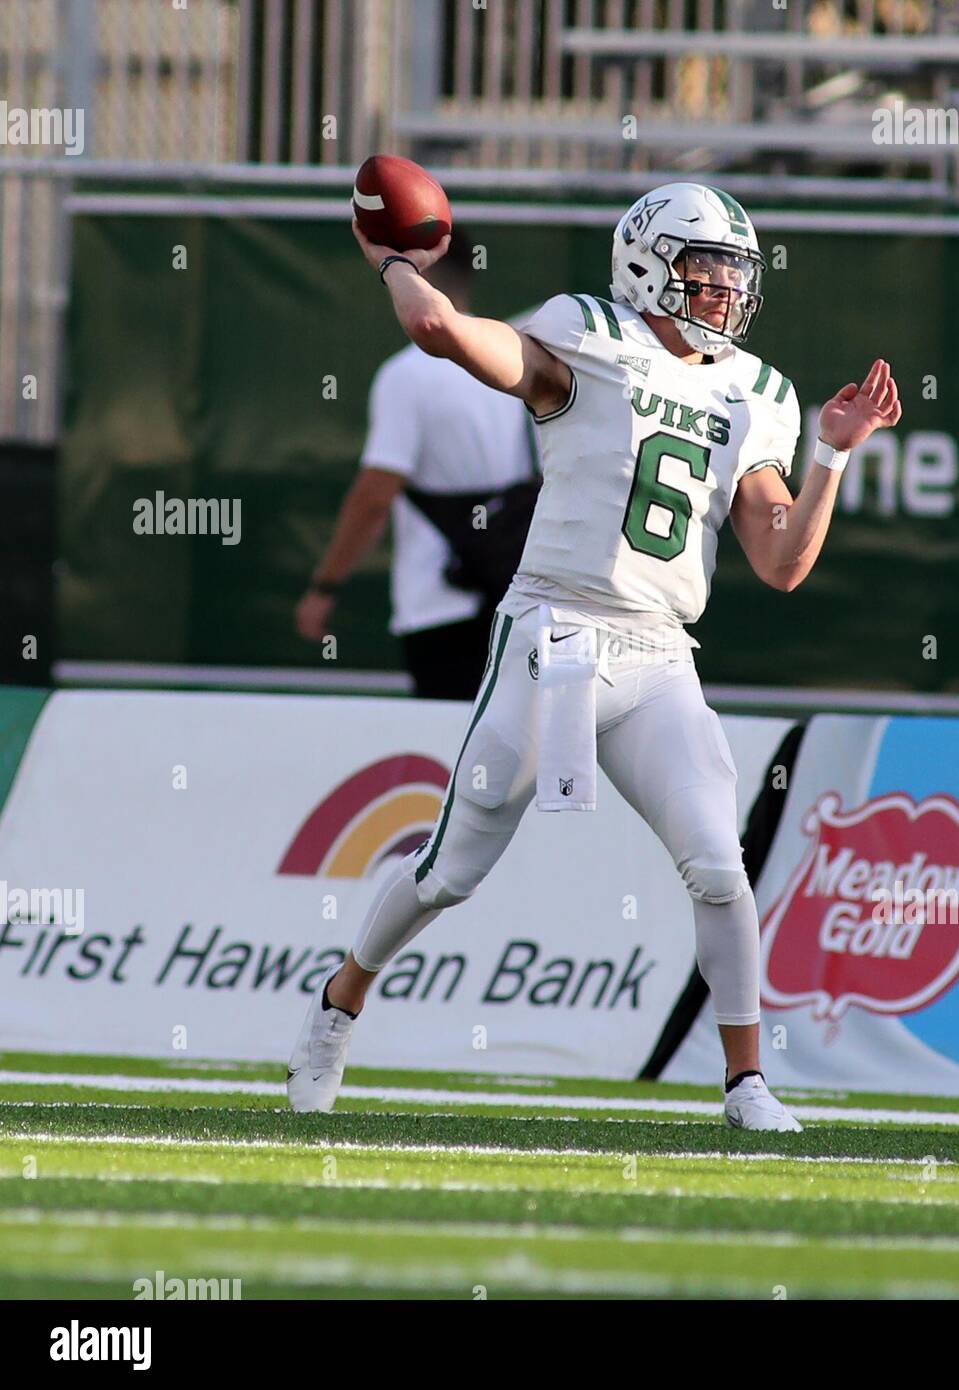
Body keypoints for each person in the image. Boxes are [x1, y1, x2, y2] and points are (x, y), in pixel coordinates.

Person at [287, 182, 902, 1129]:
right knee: (452, 867)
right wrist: (396, 261)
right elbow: (445, 332)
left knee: (718, 864)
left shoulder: (756, 390)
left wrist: (833, 454)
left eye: (735, 270)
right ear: (651, 262)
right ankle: (339, 1006)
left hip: (661, 653)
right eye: (706, 266)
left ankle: (748, 1085)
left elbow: (782, 562)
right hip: (554, 635)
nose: (725, 288)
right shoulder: (586, 334)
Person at [295, 229, 537, 699]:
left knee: (453, 756)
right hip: (519, 603)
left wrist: (324, 587)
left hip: (439, 607)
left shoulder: (406, 376)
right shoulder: (513, 361)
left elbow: (375, 496)